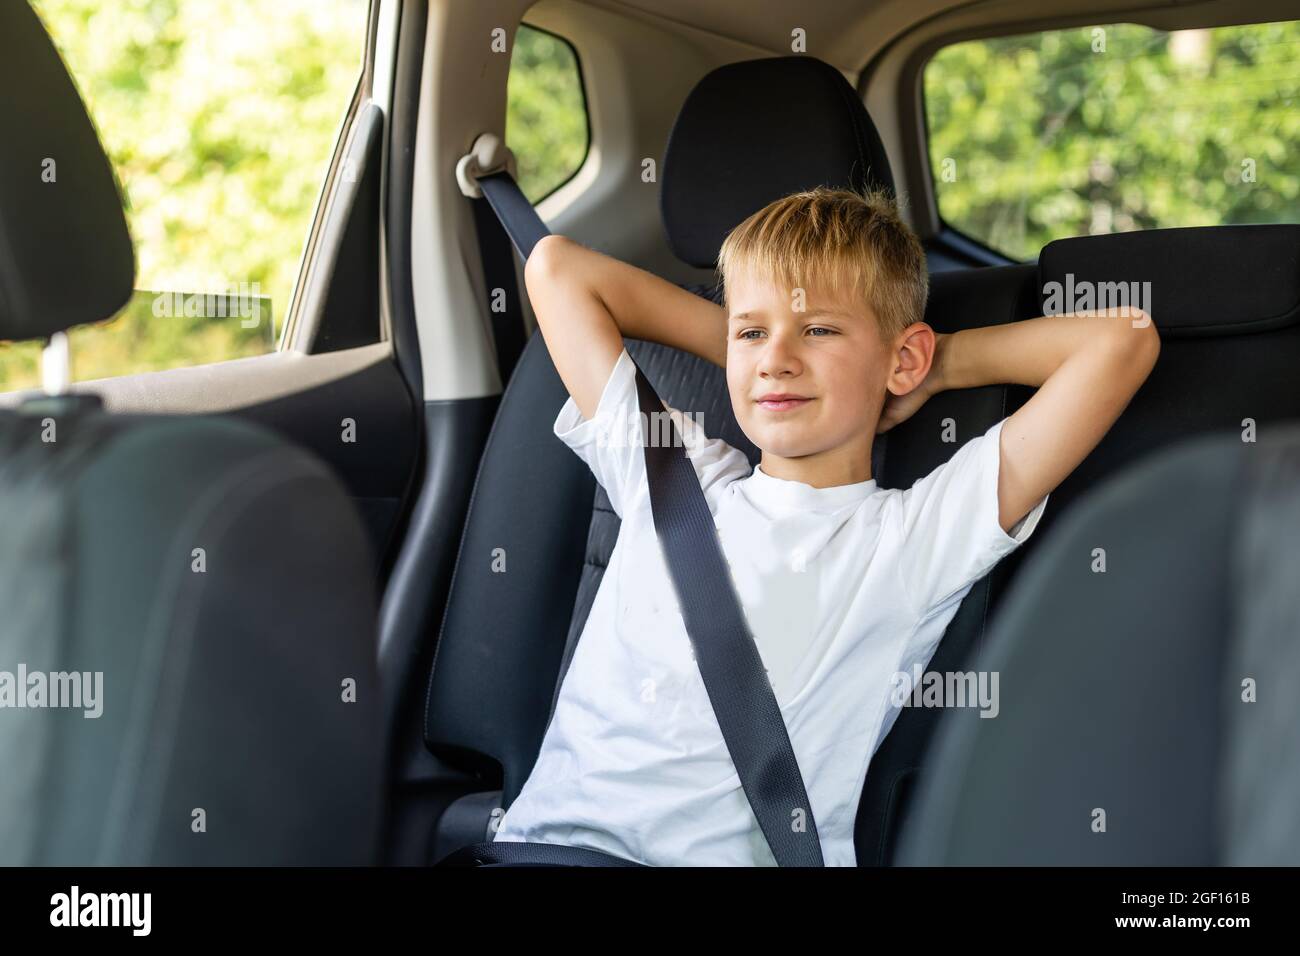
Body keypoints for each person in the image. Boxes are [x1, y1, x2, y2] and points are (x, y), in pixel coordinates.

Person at [490, 186, 1160, 866]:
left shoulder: (913, 540)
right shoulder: (667, 472)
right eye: (752, 331)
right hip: (539, 852)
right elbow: (556, 269)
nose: (777, 357)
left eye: (818, 330)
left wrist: (925, 370)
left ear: (904, 357)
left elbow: (1121, 340)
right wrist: (747, 353)